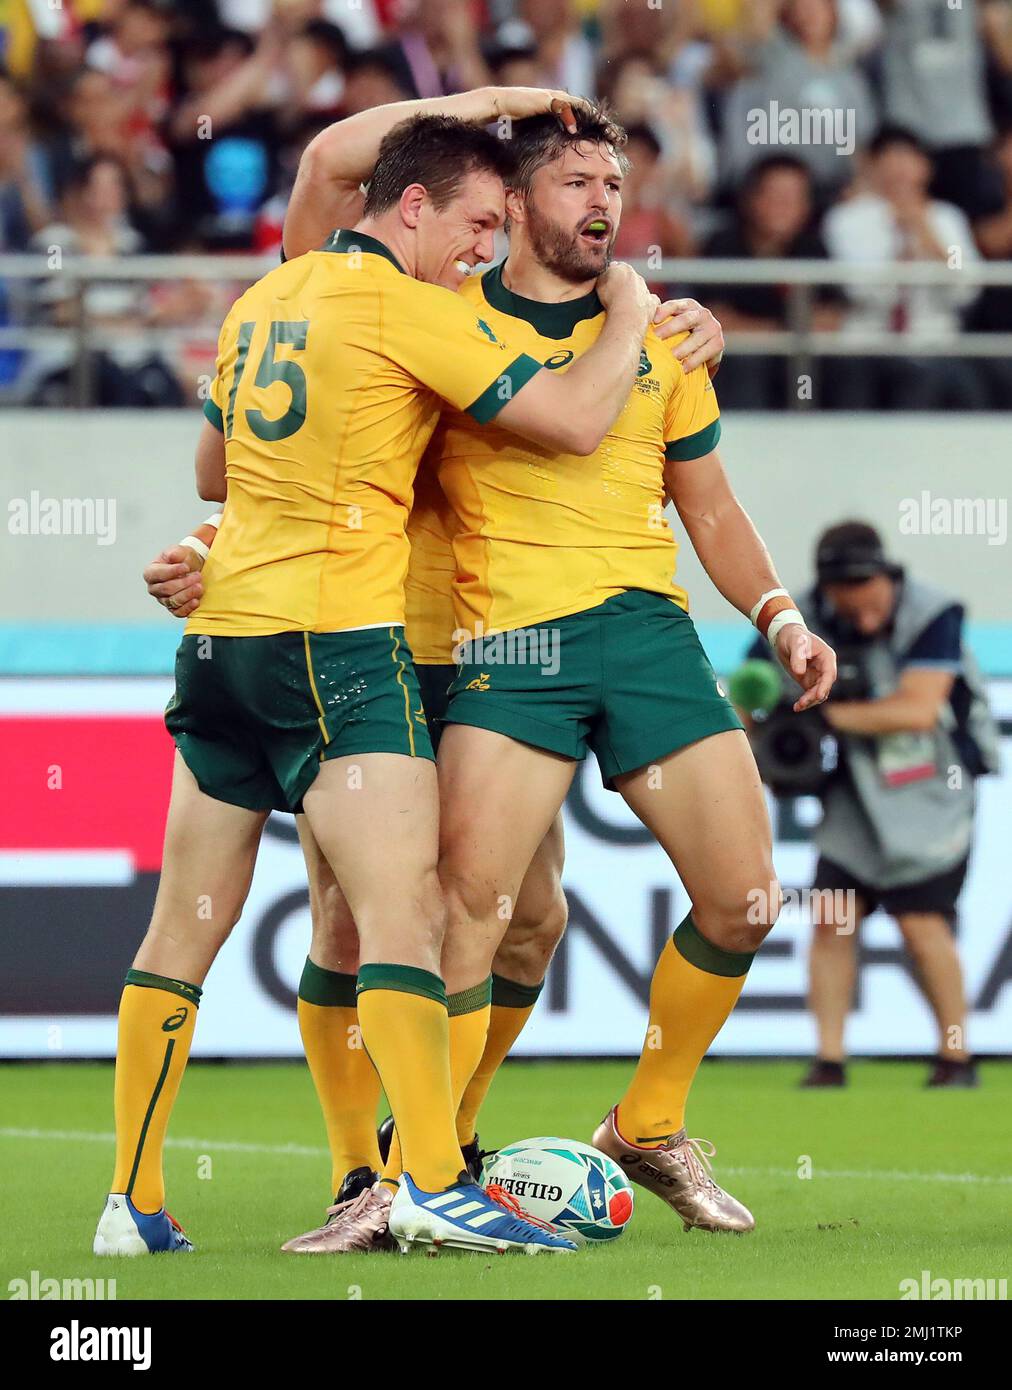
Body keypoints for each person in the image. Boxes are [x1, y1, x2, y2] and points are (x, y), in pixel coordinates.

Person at [146, 88, 731, 1254]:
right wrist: (501, 103)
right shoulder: (343, 282)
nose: (479, 238)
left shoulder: (467, 314)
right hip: (357, 637)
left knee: (530, 919)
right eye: (482, 208)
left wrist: (663, 321)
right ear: (447, 204)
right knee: (357, 921)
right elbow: (267, 457)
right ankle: (364, 1172)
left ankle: (443, 1154)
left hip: (476, 641)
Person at [272, 99, 836, 1250]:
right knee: (471, 918)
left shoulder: (665, 341)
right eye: (576, 182)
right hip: (505, 647)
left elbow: (710, 505)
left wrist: (779, 617)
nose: (603, 205)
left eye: (614, 186)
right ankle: (418, 1173)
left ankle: (647, 1122)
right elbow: (344, 459)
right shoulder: (435, 320)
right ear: (515, 203)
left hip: (645, 632)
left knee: (742, 897)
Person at [742, 522, 999, 1089]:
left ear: (887, 577)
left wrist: (815, 717)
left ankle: (955, 1055)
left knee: (921, 922)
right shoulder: (802, 617)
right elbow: (749, 687)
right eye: (848, 603)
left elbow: (916, 710)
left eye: (870, 599)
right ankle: (829, 1060)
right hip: (854, 795)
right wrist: (756, 727)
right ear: (828, 591)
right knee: (833, 918)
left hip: (929, 793)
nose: (861, 614)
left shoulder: (933, 613)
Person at [822, 126, 986, 410]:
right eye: (890, 159)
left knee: (953, 383)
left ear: (925, 168)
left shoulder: (948, 220)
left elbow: (966, 286)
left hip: (934, 344)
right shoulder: (848, 219)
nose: (899, 170)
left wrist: (925, 234)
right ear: (871, 166)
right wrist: (899, 247)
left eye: (908, 159)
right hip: (866, 345)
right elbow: (861, 290)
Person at [702, 154, 844, 408]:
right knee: (748, 362)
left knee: (842, 366)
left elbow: (831, 316)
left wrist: (778, 335)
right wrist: (784, 333)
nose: (785, 205)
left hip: (796, 359)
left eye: (795, 197)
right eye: (776, 196)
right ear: (751, 198)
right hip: (738, 362)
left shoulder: (813, 244)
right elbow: (717, 321)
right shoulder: (722, 244)